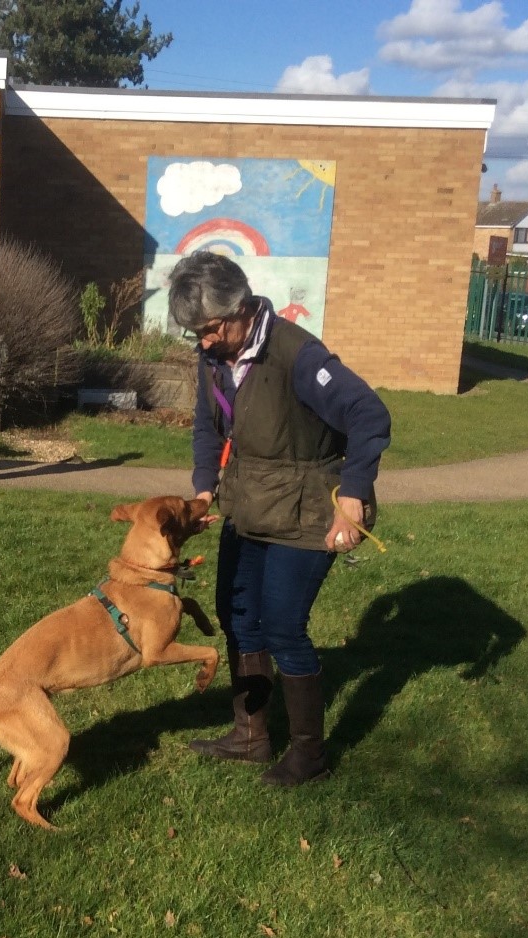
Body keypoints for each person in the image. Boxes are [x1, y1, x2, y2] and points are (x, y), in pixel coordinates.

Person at [169, 252, 390, 786]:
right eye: (194, 333)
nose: (202, 342)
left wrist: (354, 495)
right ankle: (250, 735)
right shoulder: (214, 358)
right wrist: (204, 487)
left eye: (208, 330)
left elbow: (368, 413)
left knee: (283, 627)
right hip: (246, 506)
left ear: (241, 309)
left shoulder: (297, 355)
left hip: (305, 508)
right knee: (239, 617)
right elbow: (207, 424)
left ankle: (309, 754)